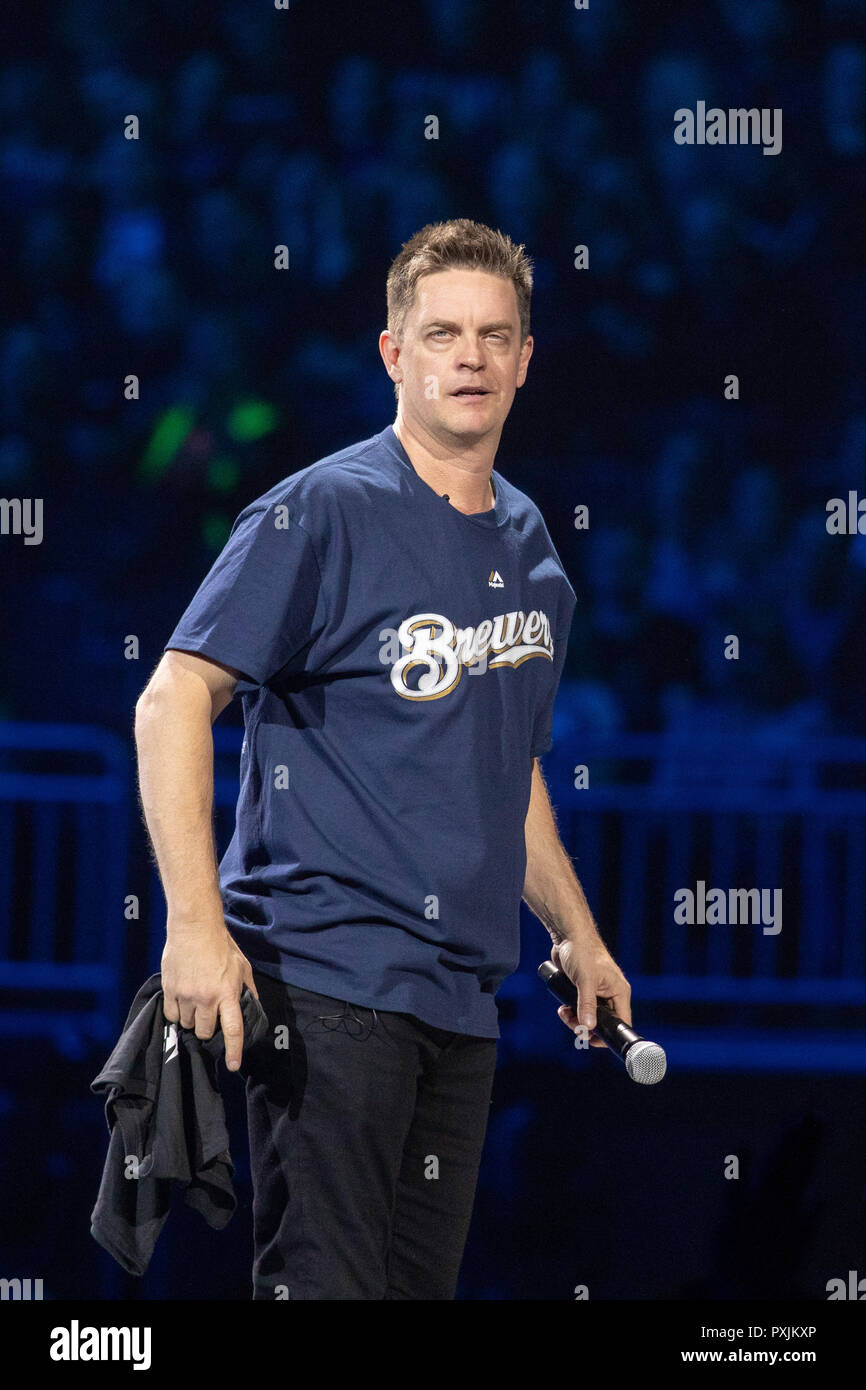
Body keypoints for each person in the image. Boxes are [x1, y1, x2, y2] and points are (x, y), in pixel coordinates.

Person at [134, 218, 631, 1300]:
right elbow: (171, 697)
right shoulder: (318, 511)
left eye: (495, 336)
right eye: (442, 333)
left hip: (459, 1002)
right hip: (327, 984)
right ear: (393, 354)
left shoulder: (533, 545)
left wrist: (577, 932)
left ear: (525, 360)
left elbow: (510, 765)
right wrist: (191, 927)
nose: (471, 357)